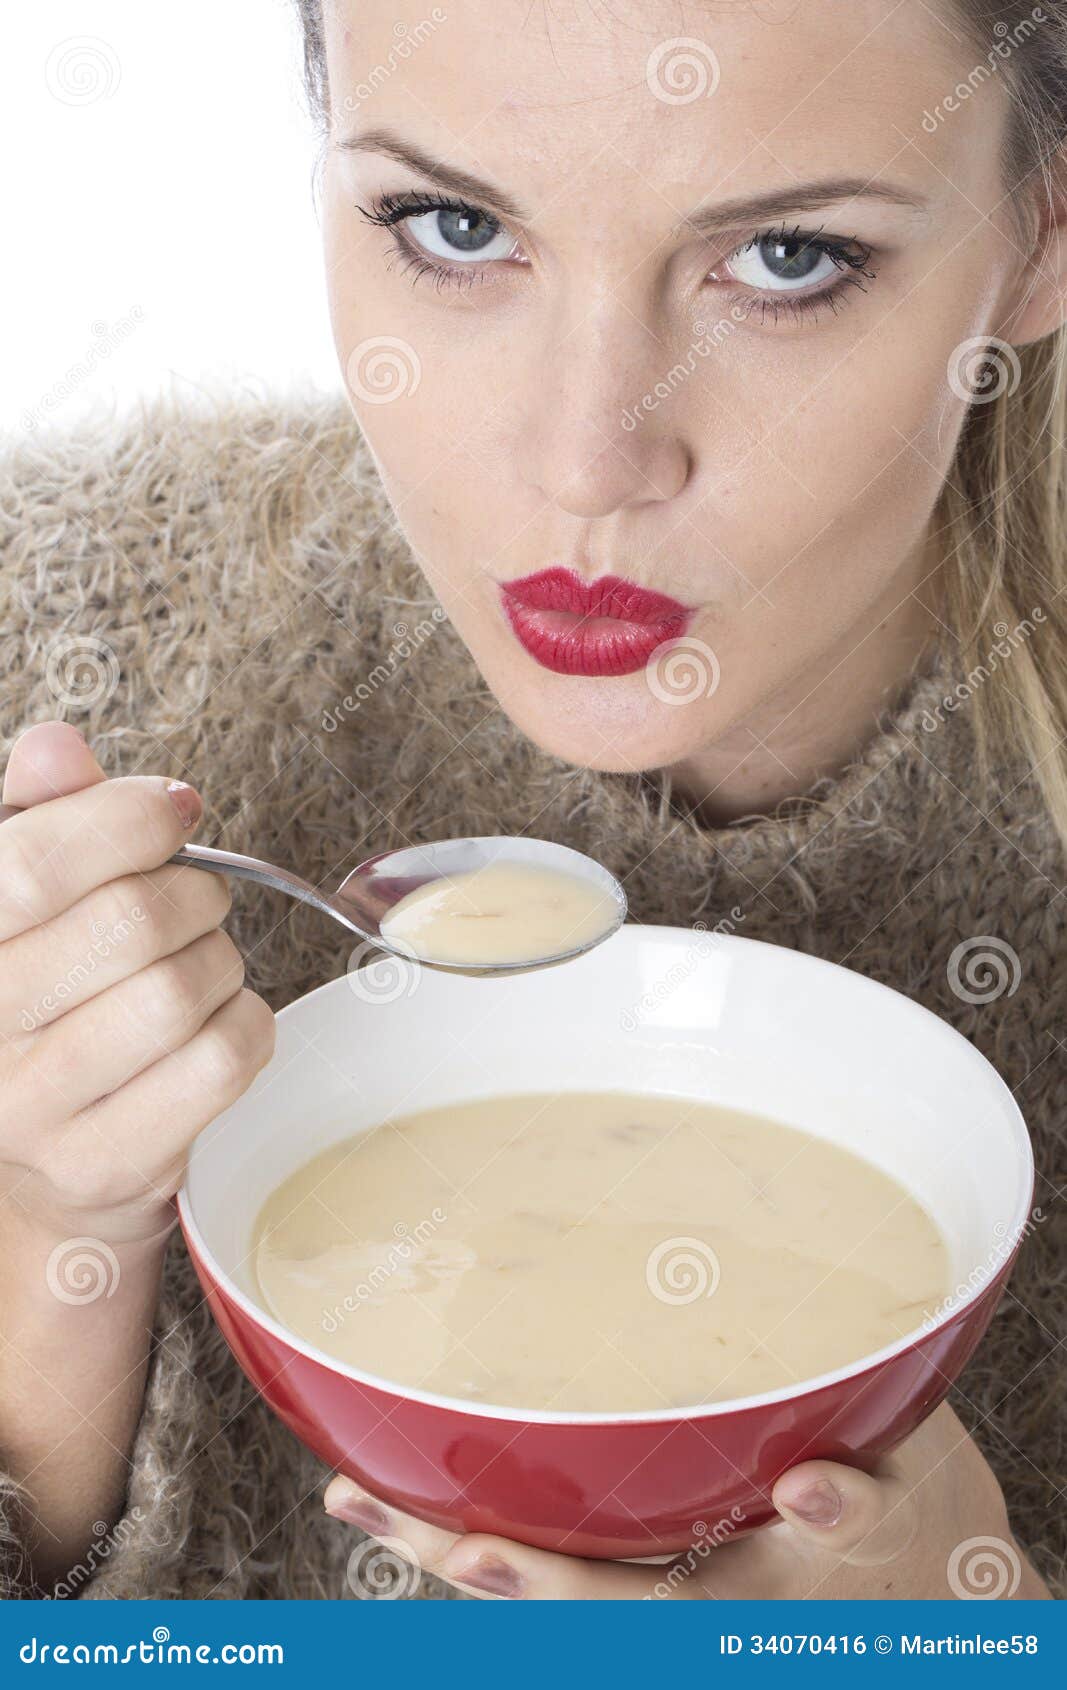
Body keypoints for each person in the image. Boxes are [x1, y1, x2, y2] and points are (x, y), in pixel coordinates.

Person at [0, 0, 1063, 1600]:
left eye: (784, 261)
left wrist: (983, 1633)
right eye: (454, 225)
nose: (585, 460)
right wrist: (46, 1260)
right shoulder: (55, 639)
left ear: (1042, 234)